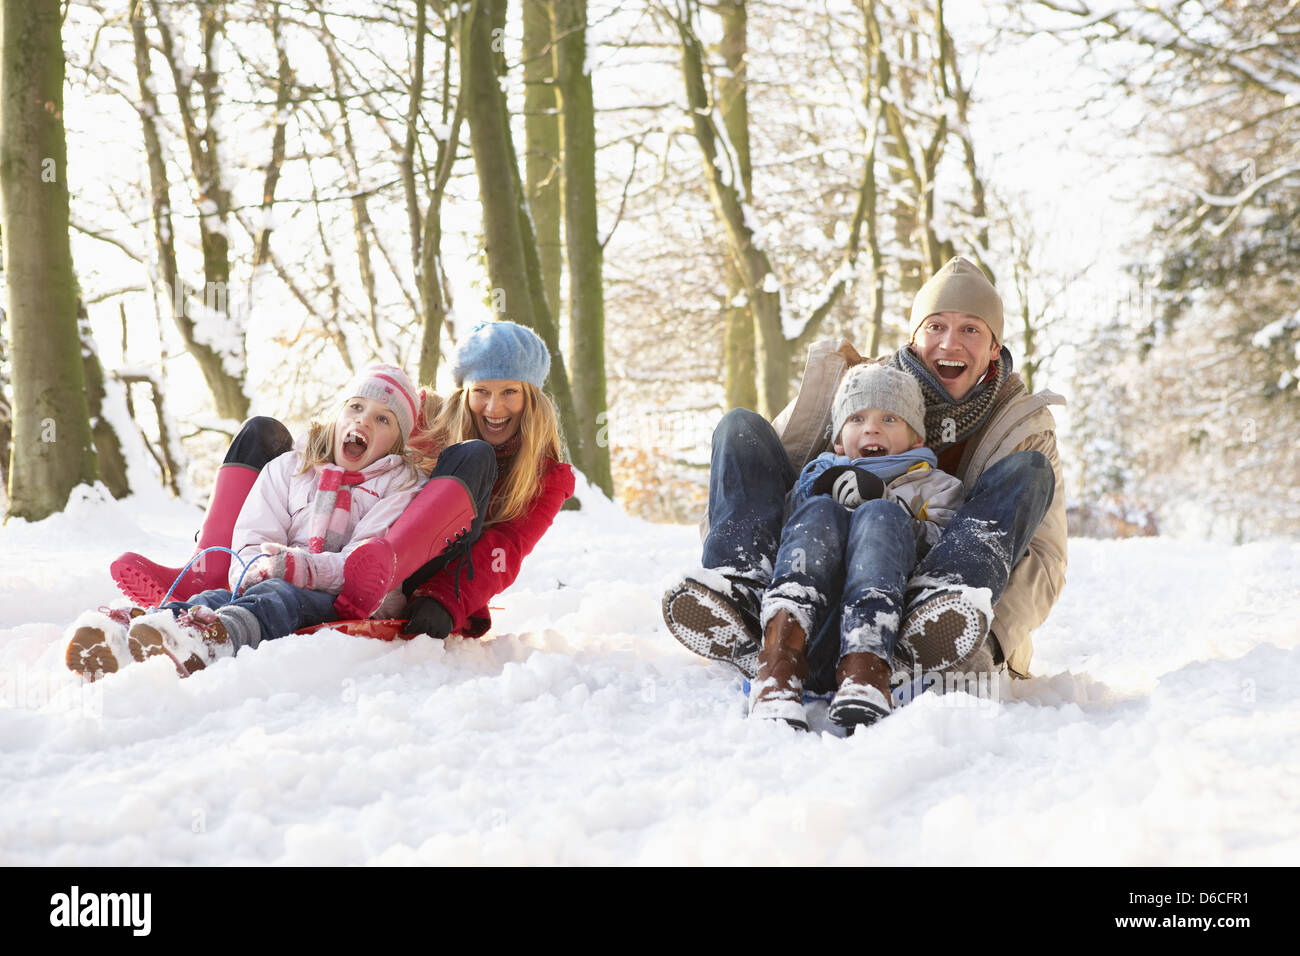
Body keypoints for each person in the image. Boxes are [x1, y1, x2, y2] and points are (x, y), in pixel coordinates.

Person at [663, 255, 1065, 692]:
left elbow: (1045, 562)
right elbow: (744, 497)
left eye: (970, 328)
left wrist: (985, 639)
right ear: (913, 339)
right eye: (935, 326)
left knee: (1030, 471)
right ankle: (743, 592)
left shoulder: (1024, 427)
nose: (950, 343)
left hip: (925, 587)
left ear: (993, 348)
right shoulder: (861, 393)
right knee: (740, 428)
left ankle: (943, 609)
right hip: (823, 586)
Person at [98, 320, 574, 658]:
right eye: (481, 391)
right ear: (464, 391)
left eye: (509, 392)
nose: (494, 406)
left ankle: (367, 574)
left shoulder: (548, 474)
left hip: (420, 567)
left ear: (530, 396)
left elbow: (503, 550)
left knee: (475, 455)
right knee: (263, 432)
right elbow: (362, 424)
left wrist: (445, 599)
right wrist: (309, 457)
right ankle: (211, 569)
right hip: (338, 549)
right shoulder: (423, 413)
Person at [64, 363, 435, 679]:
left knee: (278, 597)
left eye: (382, 419)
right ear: (339, 414)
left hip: (340, 597)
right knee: (217, 596)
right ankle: (138, 631)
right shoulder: (291, 467)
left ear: (397, 442)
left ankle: (215, 638)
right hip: (272, 576)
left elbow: (366, 562)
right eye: (355, 406)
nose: (363, 420)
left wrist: (301, 569)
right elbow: (253, 534)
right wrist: (258, 565)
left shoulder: (400, 485)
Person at [750, 364, 965, 732]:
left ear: (917, 440)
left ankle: (864, 672)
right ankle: (777, 667)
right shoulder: (814, 479)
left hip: (882, 642)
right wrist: (816, 496)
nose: (871, 427)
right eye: (857, 418)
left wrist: (890, 507)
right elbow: (780, 540)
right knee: (818, 511)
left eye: (890, 417)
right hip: (812, 634)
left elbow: (943, 548)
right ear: (837, 441)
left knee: (879, 514)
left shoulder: (935, 486)